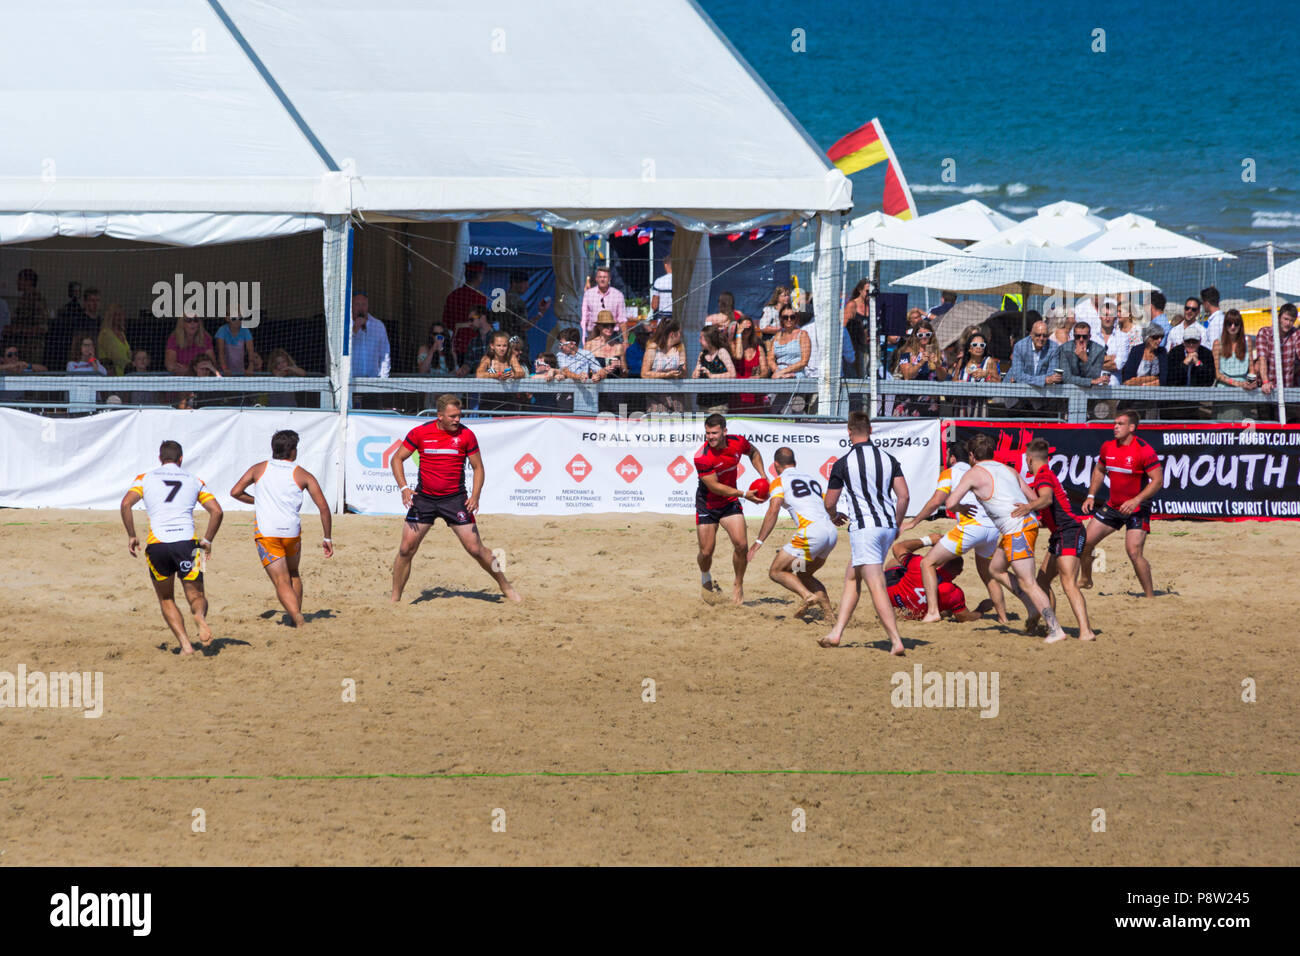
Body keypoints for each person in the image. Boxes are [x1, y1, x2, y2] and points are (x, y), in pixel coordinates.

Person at [389, 394, 520, 603]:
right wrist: (404, 487)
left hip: (455, 499)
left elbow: (478, 468)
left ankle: (506, 586)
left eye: (459, 415)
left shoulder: (466, 435)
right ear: (439, 416)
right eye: (453, 416)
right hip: (424, 498)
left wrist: (475, 496)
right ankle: (395, 599)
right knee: (406, 549)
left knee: (475, 549)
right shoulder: (420, 433)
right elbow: (397, 458)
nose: (457, 420)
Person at [942, 433, 1066, 642]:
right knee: (995, 569)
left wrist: (961, 507)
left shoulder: (973, 473)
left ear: (971, 455)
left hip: (1017, 530)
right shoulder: (1009, 469)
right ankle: (1031, 608)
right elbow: (1034, 499)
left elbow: (949, 503)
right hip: (1023, 526)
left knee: (1028, 583)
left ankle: (1055, 629)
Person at [119, 440, 223, 655]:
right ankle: (199, 616)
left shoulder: (144, 478)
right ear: (181, 459)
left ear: (160, 458)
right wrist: (208, 541)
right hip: (190, 543)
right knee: (197, 595)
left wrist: (132, 535)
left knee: (166, 598)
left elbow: (125, 504)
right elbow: (217, 511)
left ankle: (186, 645)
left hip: (158, 545)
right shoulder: (194, 479)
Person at [819, 412, 909, 653]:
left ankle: (896, 641)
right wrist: (897, 524)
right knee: (852, 575)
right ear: (870, 429)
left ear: (849, 432)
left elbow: (829, 502)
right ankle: (837, 632)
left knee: (876, 584)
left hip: (865, 528)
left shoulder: (843, 463)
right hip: (887, 526)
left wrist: (833, 516)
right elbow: (904, 496)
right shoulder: (888, 458)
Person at [229, 430, 334, 628]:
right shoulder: (303, 474)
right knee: (293, 573)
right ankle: (296, 616)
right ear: (293, 451)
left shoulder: (259, 469)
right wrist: (327, 538)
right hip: (291, 532)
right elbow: (324, 508)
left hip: (267, 533)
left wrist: (257, 501)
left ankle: (298, 619)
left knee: (281, 581)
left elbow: (235, 492)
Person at [899, 439, 1009, 625]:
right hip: (991, 529)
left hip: (971, 527)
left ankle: (933, 611)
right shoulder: (980, 472)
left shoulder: (950, 473)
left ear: (952, 458)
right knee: (988, 575)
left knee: (927, 563)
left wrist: (913, 522)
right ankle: (1003, 617)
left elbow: (936, 502)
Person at [1010, 438, 1095, 641]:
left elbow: (1046, 499)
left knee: (1068, 583)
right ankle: (1052, 626)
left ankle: (1086, 632)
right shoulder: (1047, 475)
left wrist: (1027, 507)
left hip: (1069, 531)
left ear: (1029, 460)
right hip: (1061, 533)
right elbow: (1054, 509)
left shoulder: (1043, 476)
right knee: (1042, 581)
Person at [1078, 409, 1163, 597]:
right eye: (1114, 423)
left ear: (1132, 427)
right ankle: (1086, 579)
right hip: (1114, 505)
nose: (1115, 427)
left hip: (1137, 508)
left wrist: (1136, 500)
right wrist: (1091, 495)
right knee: (1084, 543)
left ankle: (1150, 596)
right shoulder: (1108, 447)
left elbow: (1157, 481)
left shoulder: (1144, 450)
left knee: (1133, 552)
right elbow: (1099, 470)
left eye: (1120, 424)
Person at [746, 446, 837, 620]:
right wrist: (836, 515)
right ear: (795, 463)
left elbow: (773, 510)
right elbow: (824, 504)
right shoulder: (812, 480)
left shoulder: (779, 481)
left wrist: (758, 542)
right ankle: (829, 615)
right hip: (831, 533)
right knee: (802, 572)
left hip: (811, 532)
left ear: (775, 465)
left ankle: (807, 596)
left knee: (776, 571)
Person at [693, 413, 766, 606]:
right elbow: (715, 487)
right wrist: (744, 494)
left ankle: (738, 583)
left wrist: (763, 475)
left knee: (741, 545)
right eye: (707, 433)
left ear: (725, 431)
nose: (710, 437)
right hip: (708, 504)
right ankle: (705, 575)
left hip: (729, 502)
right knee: (706, 552)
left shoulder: (737, 442)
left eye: (714, 433)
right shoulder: (702, 457)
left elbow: (753, 452)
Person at [883, 539, 983, 622]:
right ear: (959, 572)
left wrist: (930, 539)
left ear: (939, 563)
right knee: (948, 608)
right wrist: (981, 609)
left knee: (894, 563)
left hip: (889, 599)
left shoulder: (919, 564)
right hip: (916, 614)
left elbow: (897, 548)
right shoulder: (953, 592)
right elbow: (964, 617)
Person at [1005, 319, 1062, 412]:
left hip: (1041, 399)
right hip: (1016, 398)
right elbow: (1018, 376)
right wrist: (1044, 380)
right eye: (1038, 335)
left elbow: (1052, 375)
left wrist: (1026, 378)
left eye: (1045, 335)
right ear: (1031, 335)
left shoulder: (1053, 348)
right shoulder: (1020, 346)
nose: (1041, 338)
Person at [4, 269, 51, 363]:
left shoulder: (37, 299)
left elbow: (42, 327)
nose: (17, 282)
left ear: (29, 282)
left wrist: (19, 329)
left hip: (32, 348)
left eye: (20, 279)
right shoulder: (23, 299)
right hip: (20, 347)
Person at [640, 317, 687, 413]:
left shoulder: (680, 347)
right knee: (657, 425)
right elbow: (644, 374)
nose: (681, 335)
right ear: (672, 334)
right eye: (680, 332)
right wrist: (666, 375)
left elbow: (684, 371)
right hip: (656, 397)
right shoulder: (652, 348)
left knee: (677, 426)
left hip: (676, 396)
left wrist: (681, 371)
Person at [350, 293, 391, 400]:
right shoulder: (345, 325)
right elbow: (341, 350)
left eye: (363, 304)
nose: (360, 308)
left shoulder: (378, 326)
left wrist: (383, 380)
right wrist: (355, 329)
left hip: (373, 384)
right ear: (351, 306)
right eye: (357, 304)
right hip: (350, 383)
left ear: (367, 306)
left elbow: (385, 354)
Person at [475, 330, 528, 411]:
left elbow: (521, 373)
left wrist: (513, 375)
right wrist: (498, 375)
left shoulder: (511, 358)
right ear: (492, 346)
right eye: (498, 345)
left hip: (508, 400)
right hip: (489, 400)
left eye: (504, 346)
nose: (502, 349)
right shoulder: (487, 358)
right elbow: (479, 374)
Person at [953, 331, 1001, 416]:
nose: (978, 347)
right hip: (961, 405)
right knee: (959, 429)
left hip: (979, 406)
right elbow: (954, 380)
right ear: (969, 348)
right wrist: (957, 383)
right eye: (975, 345)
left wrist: (987, 374)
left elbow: (997, 383)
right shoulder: (962, 362)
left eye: (982, 345)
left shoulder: (989, 361)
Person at [1256, 302, 1299, 396]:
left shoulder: (1296, 333)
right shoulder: (1265, 333)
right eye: (1285, 319)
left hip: (1287, 390)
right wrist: (1265, 381)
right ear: (1279, 318)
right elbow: (1262, 359)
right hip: (1267, 389)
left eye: (1291, 320)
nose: (1288, 323)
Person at [730, 314, 771, 412]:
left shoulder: (758, 348)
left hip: (755, 393)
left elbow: (765, 370)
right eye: (743, 328)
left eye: (748, 328)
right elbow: (738, 355)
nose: (746, 331)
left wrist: (759, 377)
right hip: (737, 394)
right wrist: (739, 334)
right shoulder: (732, 345)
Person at [445, 263, 488, 352]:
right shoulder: (479, 297)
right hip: (474, 340)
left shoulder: (453, 295)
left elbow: (446, 321)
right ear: (479, 276)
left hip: (457, 340)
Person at [1213, 310, 1257, 391]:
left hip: (1245, 388)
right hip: (1224, 387)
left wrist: (1251, 383)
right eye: (1229, 323)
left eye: (1236, 324)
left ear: (1240, 325)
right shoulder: (1217, 343)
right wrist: (1237, 384)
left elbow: (1251, 368)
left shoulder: (1248, 341)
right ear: (1225, 325)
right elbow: (1217, 374)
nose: (1233, 327)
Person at [580, 266, 626, 342]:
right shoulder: (588, 294)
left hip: (612, 335)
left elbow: (622, 320)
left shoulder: (618, 295)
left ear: (609, 279)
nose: (602, 279)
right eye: (600, 277)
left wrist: (625, 341)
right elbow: (584, 319)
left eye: (605, 277)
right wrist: (583, 338)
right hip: (593, 334)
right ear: (596, 279)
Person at [1164, 324, 1215, 388]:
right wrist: (1184, 364)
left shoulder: (1207, 354)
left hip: (1199, 393)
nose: (1191, 345)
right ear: (1183, 342)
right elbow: (1171, 380)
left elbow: (1209, 380)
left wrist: (1198, 363)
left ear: (1200, 341)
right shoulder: (1174, 353)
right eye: (1188, 341)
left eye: (1194, 341)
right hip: (1178, 392)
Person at [1061, 322, 1108, 387]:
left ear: (1089, 337)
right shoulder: (1065, 349)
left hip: (1091, 392)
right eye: (1078, 336)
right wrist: (1090, 381)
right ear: (1074, 336)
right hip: (1068, 389)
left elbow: (1095, 377)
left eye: (1084, 337)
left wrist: (1085, 360)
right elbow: (1066, 378)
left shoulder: (1098, 350)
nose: (1081, 339)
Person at [1096, 302, 1131, 386]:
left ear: (1115, 317)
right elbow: (1085, 363)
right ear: (1100, 316)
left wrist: (1095, 361)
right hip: (1094, 387)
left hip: (1114, 387)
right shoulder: (1092, 336)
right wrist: (1109, 358)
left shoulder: (1123, 337)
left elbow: (1118, 366)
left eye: (1111, 315)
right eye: (1105, 314)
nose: (1107, 318)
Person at [454, 306, 494, 378]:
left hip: (496, 382)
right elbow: (468, 364)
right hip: (478, 383)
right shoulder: (473, 342)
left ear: (482, 317)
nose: (469, 323)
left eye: (471, 320)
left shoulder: (499, 338)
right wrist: (462, 370)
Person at [586, 311, 626, 376]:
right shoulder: (589, 345)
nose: (609, 328)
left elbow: (625, 375)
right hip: (596, 384)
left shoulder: (619, 346)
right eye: (606, 325)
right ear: (599, 326)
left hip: (615, 384)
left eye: (612, 325)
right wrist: (604, 371)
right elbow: (586, 371)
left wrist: (621, 367)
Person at [97, 304, 132, 376]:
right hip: (112, 377)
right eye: (116, 315)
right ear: (111, 316)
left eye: (121, 314)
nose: (119, 317)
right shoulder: (106, 334)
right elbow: (117, 357)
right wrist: (133, 366)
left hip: (125, 375)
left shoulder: (122, 333)